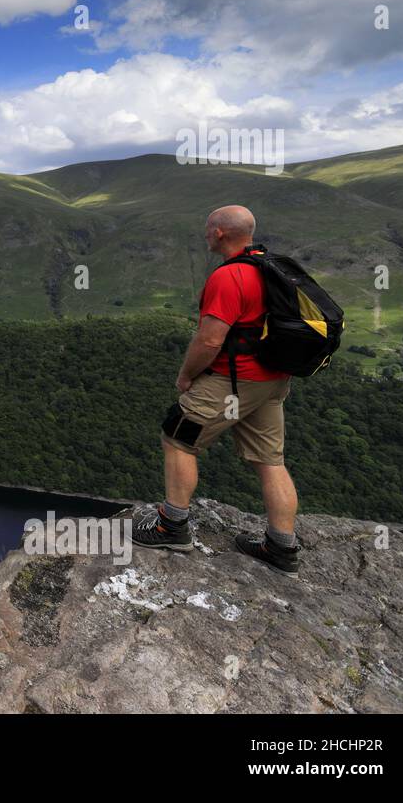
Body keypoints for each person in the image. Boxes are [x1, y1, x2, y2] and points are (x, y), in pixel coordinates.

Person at [133, 205, 301, 575]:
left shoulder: (230, 277)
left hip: (234, 381)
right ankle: (281, 546)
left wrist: (185, 377)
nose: (204, 234)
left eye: (208, 228)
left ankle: (171, 526)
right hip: (272, 381)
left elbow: (209, 340)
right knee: (269, 459)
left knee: (178, 436)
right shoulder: (270, 268)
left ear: (220, 233)